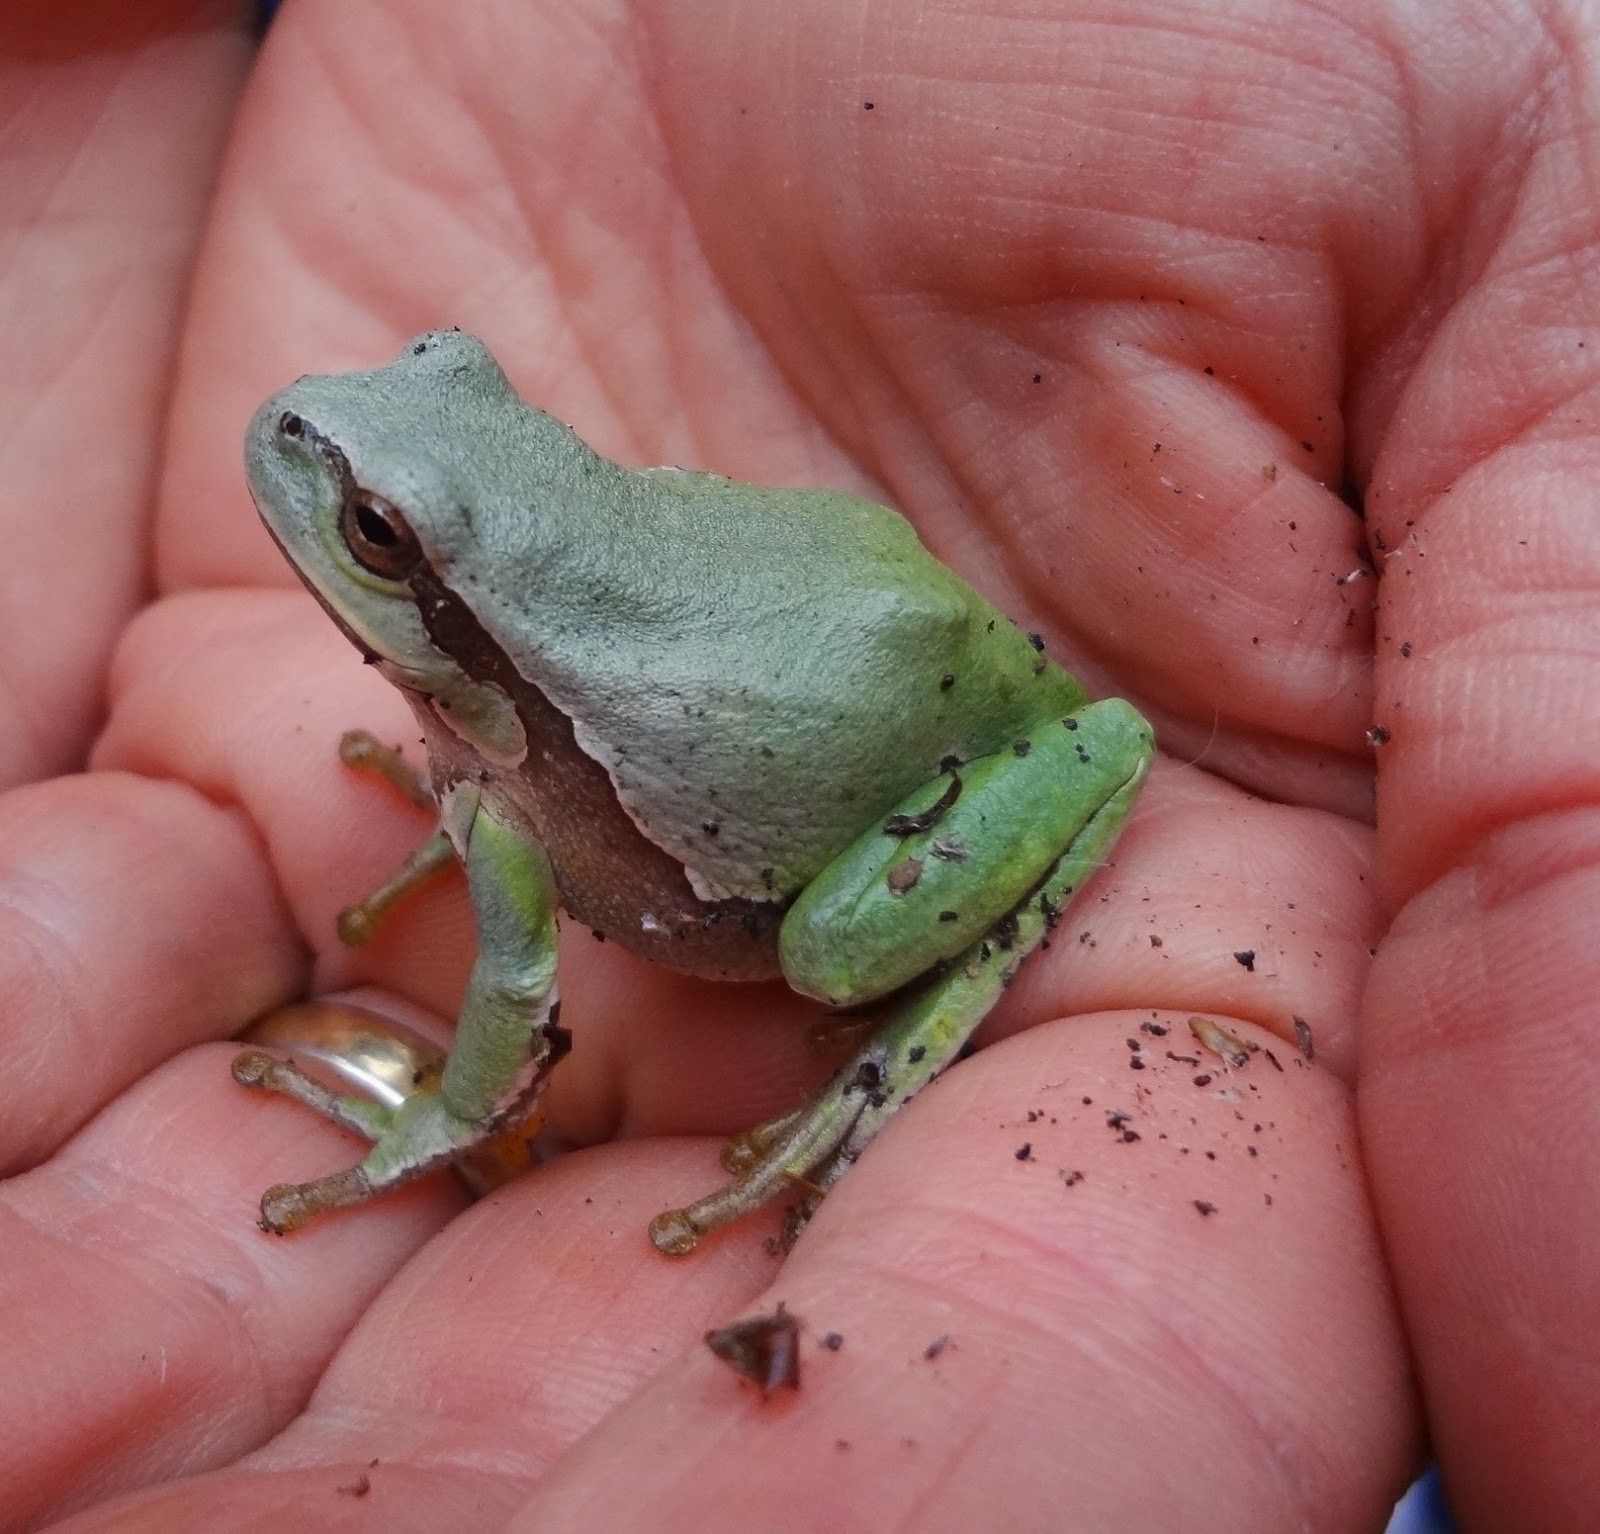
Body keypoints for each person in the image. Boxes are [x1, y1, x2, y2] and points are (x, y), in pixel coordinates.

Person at [1, 2, 1592, 1528]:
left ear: (431, 598)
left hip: (825, 821)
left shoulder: (501, 776)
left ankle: (918, 1028)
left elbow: (512, 992)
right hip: (826, 637)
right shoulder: (487, 728)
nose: (304, 437)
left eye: (372, 534)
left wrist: (431, 1120)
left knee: (836, 953)